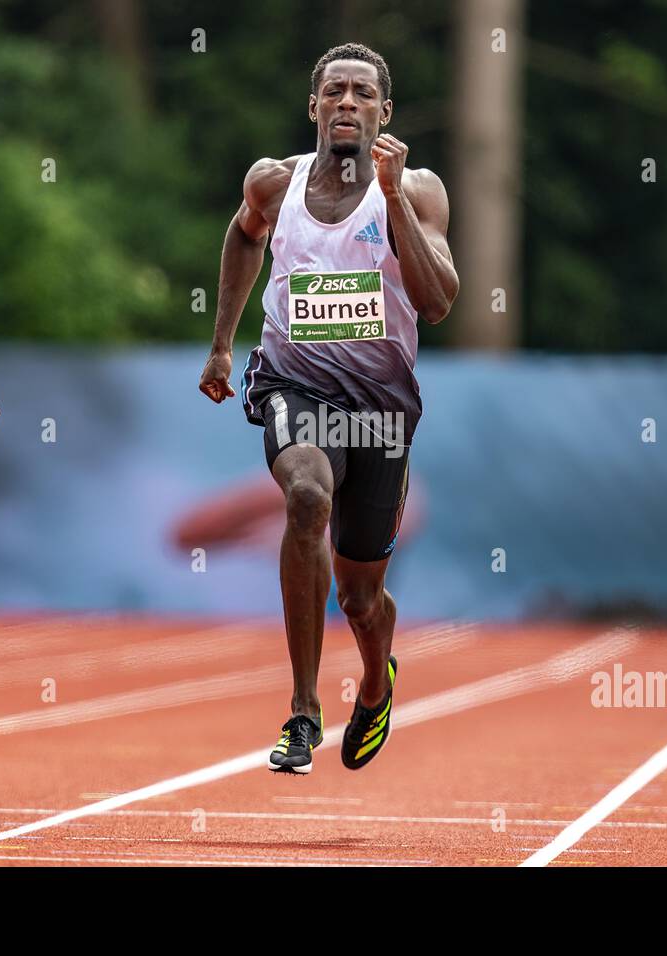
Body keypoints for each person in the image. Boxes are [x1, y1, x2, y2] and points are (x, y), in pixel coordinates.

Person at [198, 43, 459, 774]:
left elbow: (437, 303)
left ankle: (377, 682)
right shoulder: (274, 183)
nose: (348, 102)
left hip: (379, 411)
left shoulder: (419, 191)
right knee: (307, 496)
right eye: (335, 91)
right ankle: (303, 712)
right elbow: (243, 235)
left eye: (362, 93)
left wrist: (396, 195)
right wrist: (223, 345)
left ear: (384, 112)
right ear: (314, 107)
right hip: (292, 384)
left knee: (362, 598)